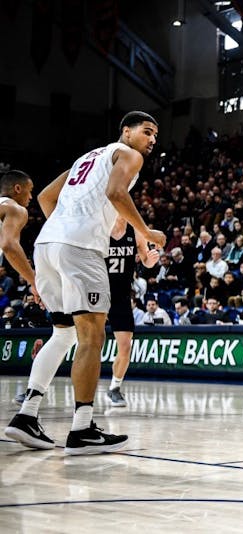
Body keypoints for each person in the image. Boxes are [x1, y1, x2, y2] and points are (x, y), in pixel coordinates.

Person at [4, 111, 166, 454]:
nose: (152, 139)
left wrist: (67, 227)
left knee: (63, 334)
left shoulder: (87, 158)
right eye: (147, 131)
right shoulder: (129, 154)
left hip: (47, 244)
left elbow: (47, 197)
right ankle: (82, 429)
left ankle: (26, 415)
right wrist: (146, 232)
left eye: (156, 135)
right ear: (127, 131)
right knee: (93, 336)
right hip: (80, 248)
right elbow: (116, 193)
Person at [105, 217, 160, 407]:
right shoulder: (99, 226)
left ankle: (114, 387)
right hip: (97, 291)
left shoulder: (135, 230)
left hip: (121, 295)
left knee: (126, 346)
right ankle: (38, 387)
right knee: (82, 341)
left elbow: (146, 260)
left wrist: (151, 261)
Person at [0, 170, 37, 303]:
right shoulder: (14, 208)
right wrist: (34, 282)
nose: (31, 197)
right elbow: (9, 246)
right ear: (18, 188)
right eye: (30, 190)